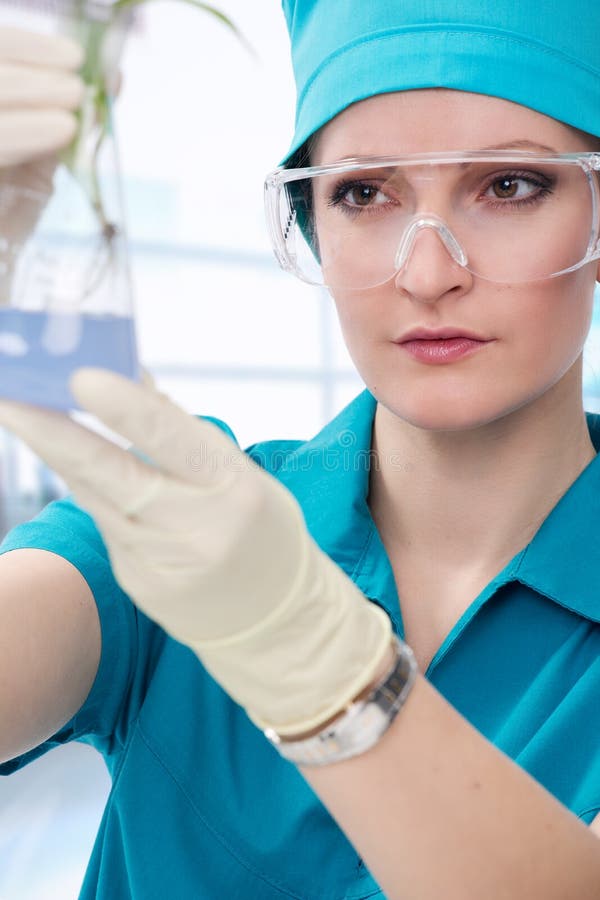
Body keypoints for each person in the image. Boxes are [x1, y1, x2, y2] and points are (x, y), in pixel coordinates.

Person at [1, 1, 600, 898]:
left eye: (509, 185)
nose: (428, 273)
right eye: (365, 193)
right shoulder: (188, 519)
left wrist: (317, 664)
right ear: (311, 221)